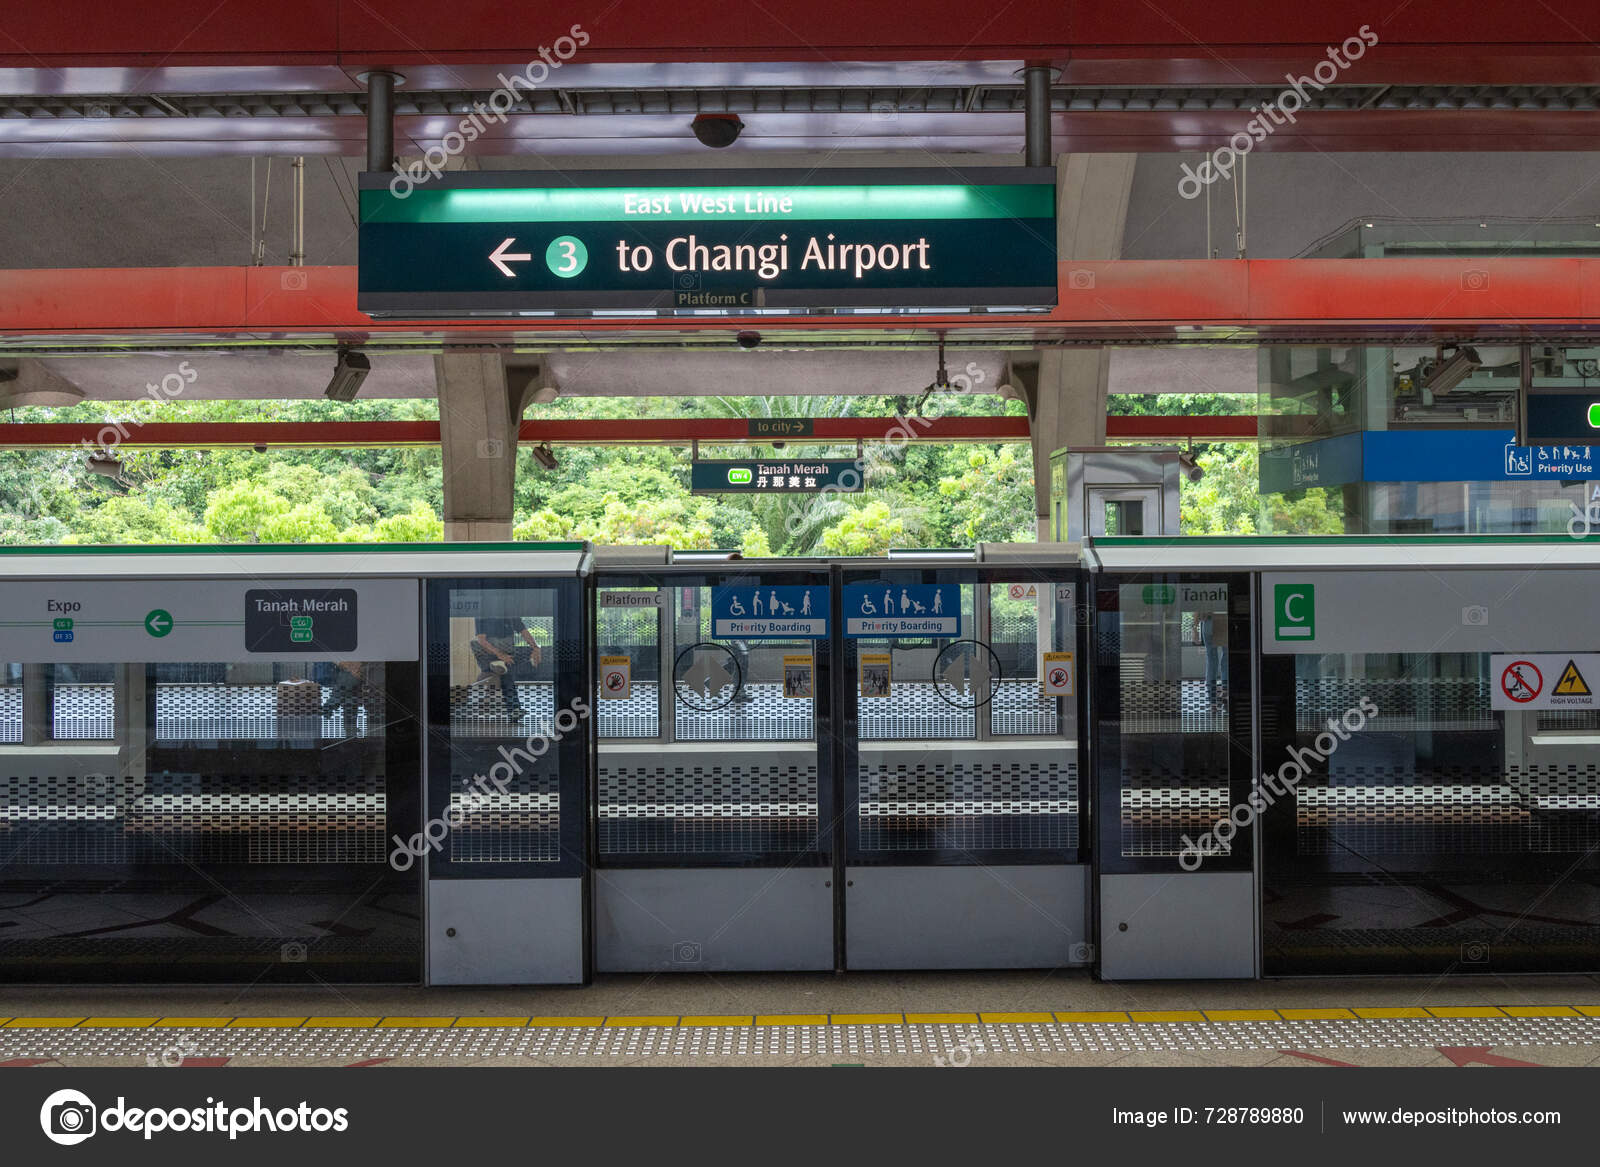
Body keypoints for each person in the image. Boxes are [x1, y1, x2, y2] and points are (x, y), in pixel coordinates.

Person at [471, 614, 542, 720]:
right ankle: (514, 709)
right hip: (488, 654)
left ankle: (500, 667)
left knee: (506, 669)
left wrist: (536, 648)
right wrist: (500, 655)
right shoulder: (482, 613)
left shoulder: (510, 613)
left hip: (506, 654)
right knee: (505, 673)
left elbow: (523, 631)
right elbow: (481, 641)